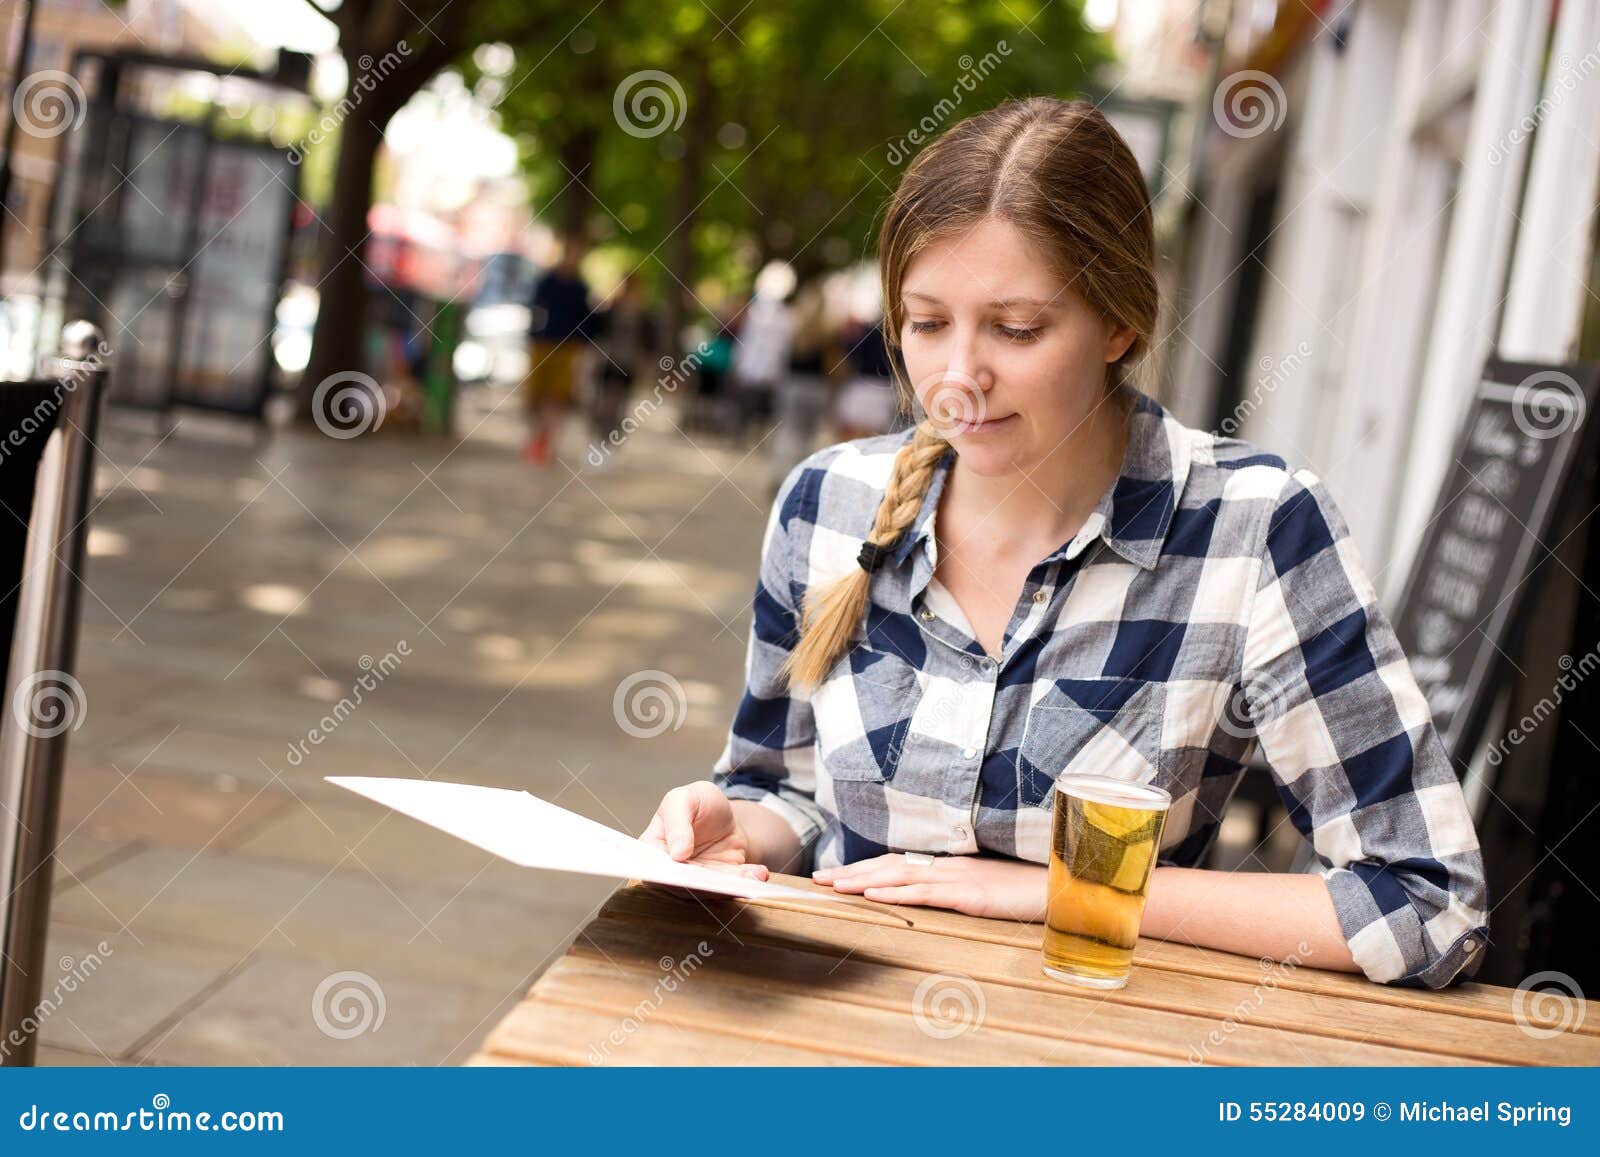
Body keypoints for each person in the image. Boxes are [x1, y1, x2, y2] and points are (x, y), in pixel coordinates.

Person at [640, 97, 1489, 989]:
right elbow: (783, 787)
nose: (959, 379)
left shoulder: (1256, 525)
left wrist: (1063, 888)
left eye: (1016, 329)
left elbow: (1427, 905)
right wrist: (734, 827)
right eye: (928, 323)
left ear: (1119, 323)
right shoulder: (827, 503)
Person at [522, 238, 592, 466]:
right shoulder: (547, 282)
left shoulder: (580, 288)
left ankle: (548, 443)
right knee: (537, 396)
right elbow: (534, 308)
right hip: (543, 344)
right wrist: (533, 335)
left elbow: (585, 322)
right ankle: (536, 438)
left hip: (567, 348)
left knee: (558, 397)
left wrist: (581, 349)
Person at [590, 274, 657, 456]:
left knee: (620, 405)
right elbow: (598, 331)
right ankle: (600, 438)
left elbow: (649, 342)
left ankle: (610, 442)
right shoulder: (612, 309)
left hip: (628, 365)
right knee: (605, 403)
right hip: (609, 362)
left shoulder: (643, 315)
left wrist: (645, 364)